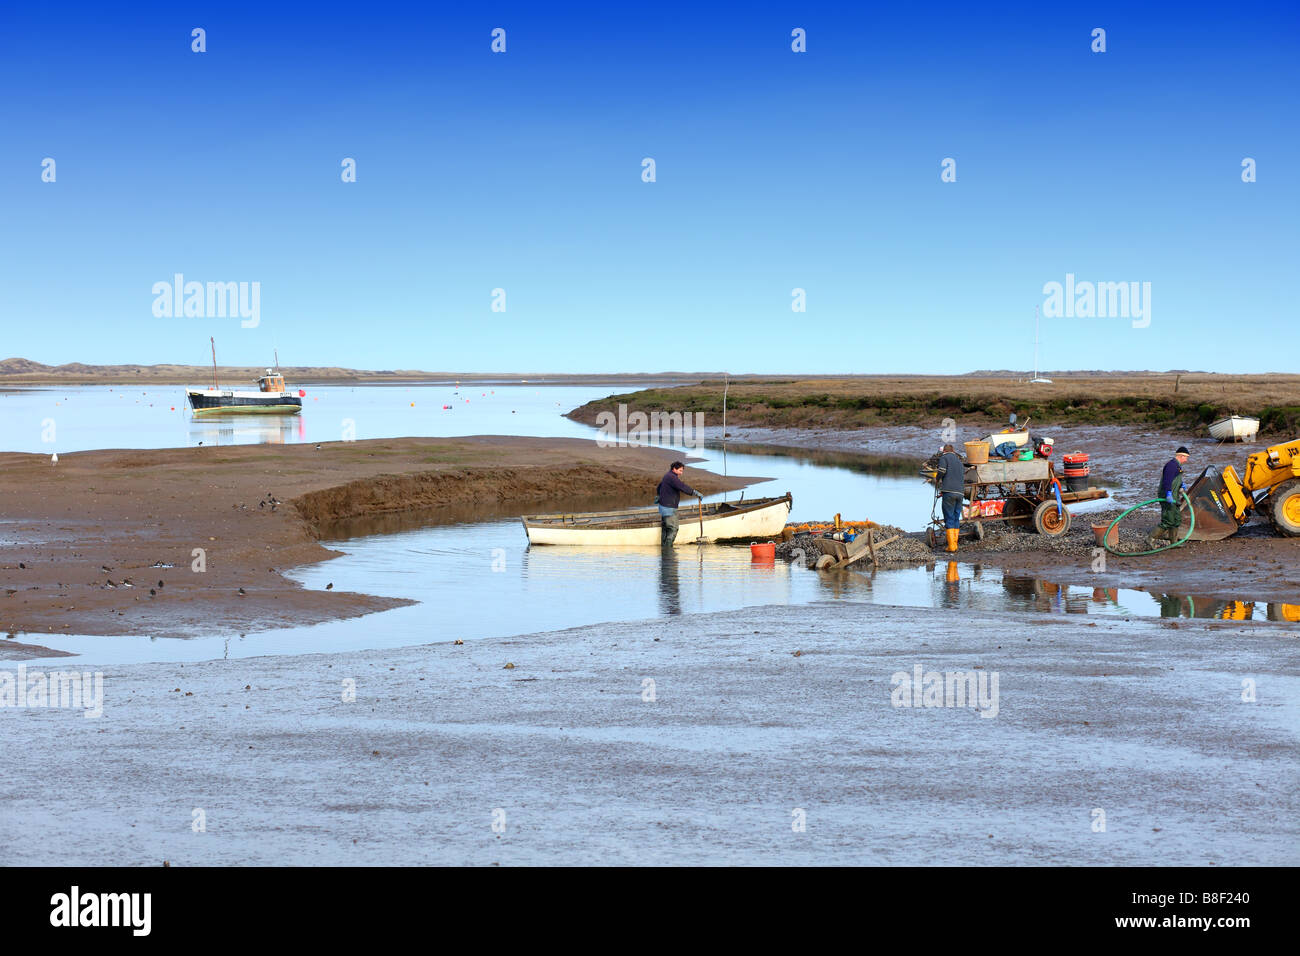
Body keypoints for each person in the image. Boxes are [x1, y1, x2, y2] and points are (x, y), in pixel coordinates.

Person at [1147, 446, 1191, 548]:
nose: (1187, 459)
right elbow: (1167, 481)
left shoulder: (1177, 466)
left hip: (1174, 496)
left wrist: (1181, 484)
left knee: (1176, 519)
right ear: (1181, 456)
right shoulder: (1171, 465)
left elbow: (1175, 480)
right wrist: (1168, 494)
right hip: (1167, 496)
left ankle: (1174, 543)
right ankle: (1150, 539)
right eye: (1186, 457)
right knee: (1168, 520)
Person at [656, 461, 701, 547]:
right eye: (680, 471)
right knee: (673, 528)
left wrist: (659, 496)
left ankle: (664, 553)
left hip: (664, 507)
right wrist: (694, 492)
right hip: (669, 508)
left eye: (682, 471)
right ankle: (668, 550)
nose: (681, 473)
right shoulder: (672, 477)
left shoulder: (667, 476)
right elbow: (682, 486)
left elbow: (659, 487)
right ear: (674, 469)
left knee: (666, 529)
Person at [933, 444, 966, 552]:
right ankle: (955, 545)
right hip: (960, 493)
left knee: (949, 517)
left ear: (944, 452)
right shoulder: (959, 462)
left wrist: (937, 479)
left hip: (949, 492)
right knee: (956, 517)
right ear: (953, 451)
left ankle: (951, 546)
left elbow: (942, 470)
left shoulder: (944, 458)